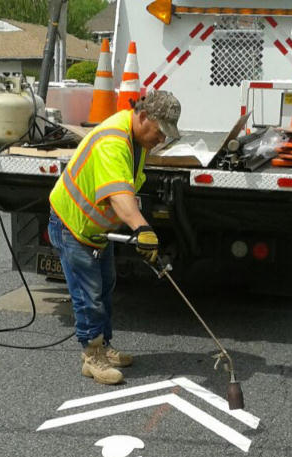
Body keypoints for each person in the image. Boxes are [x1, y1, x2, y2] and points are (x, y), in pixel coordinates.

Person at [48, 90, 182, 386]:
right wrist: (143, 229)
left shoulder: (137, 140)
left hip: (94, 230)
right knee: (89, 295)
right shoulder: (113, 139)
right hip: (73, 225)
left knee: (105, 287)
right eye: (160, 132)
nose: (161, 139)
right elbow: (118, 192)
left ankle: (103, 346)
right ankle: (91, 356)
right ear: (143, 116)